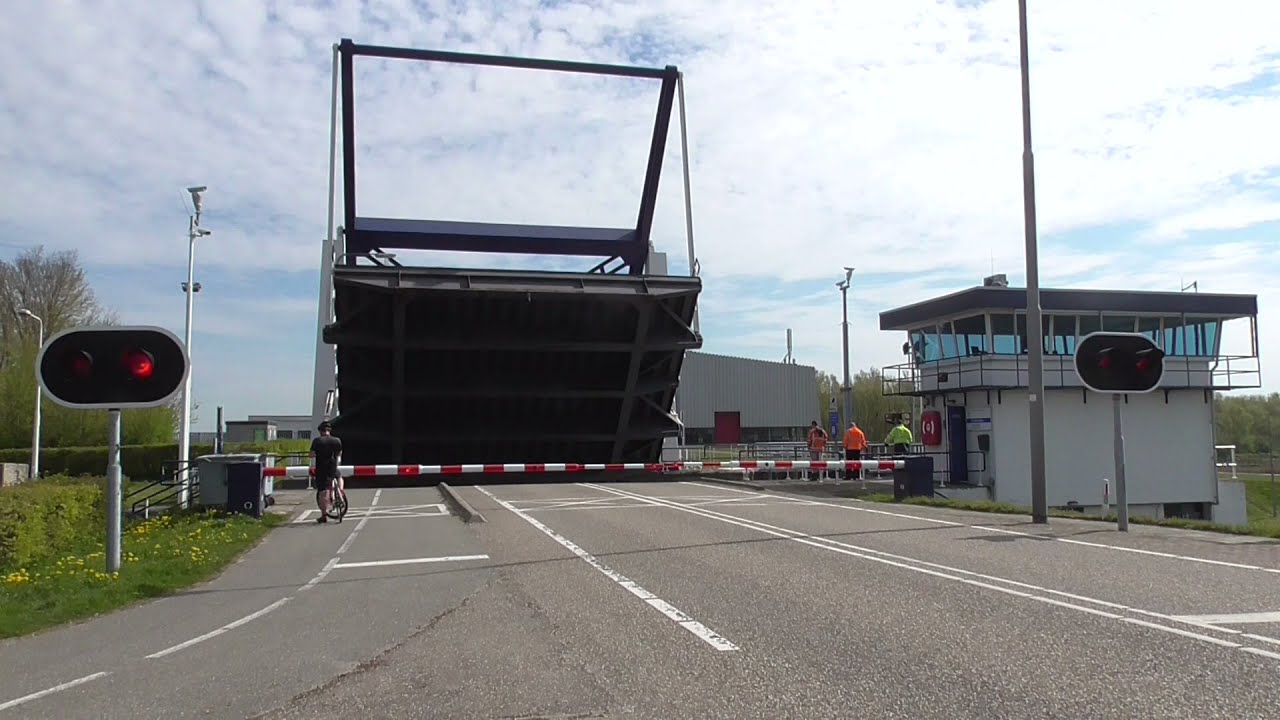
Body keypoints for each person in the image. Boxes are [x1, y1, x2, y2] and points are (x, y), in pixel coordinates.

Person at [310, 420, 343, 523]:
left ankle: (324, 515)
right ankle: (340, 493)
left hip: (321, 468)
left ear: (320, 431)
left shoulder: (317, 441)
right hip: (332, 467)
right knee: (339, 477)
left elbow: (311, 454)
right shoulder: (336, 440)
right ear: (329, 430)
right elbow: (338, 454)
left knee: (322, 493)